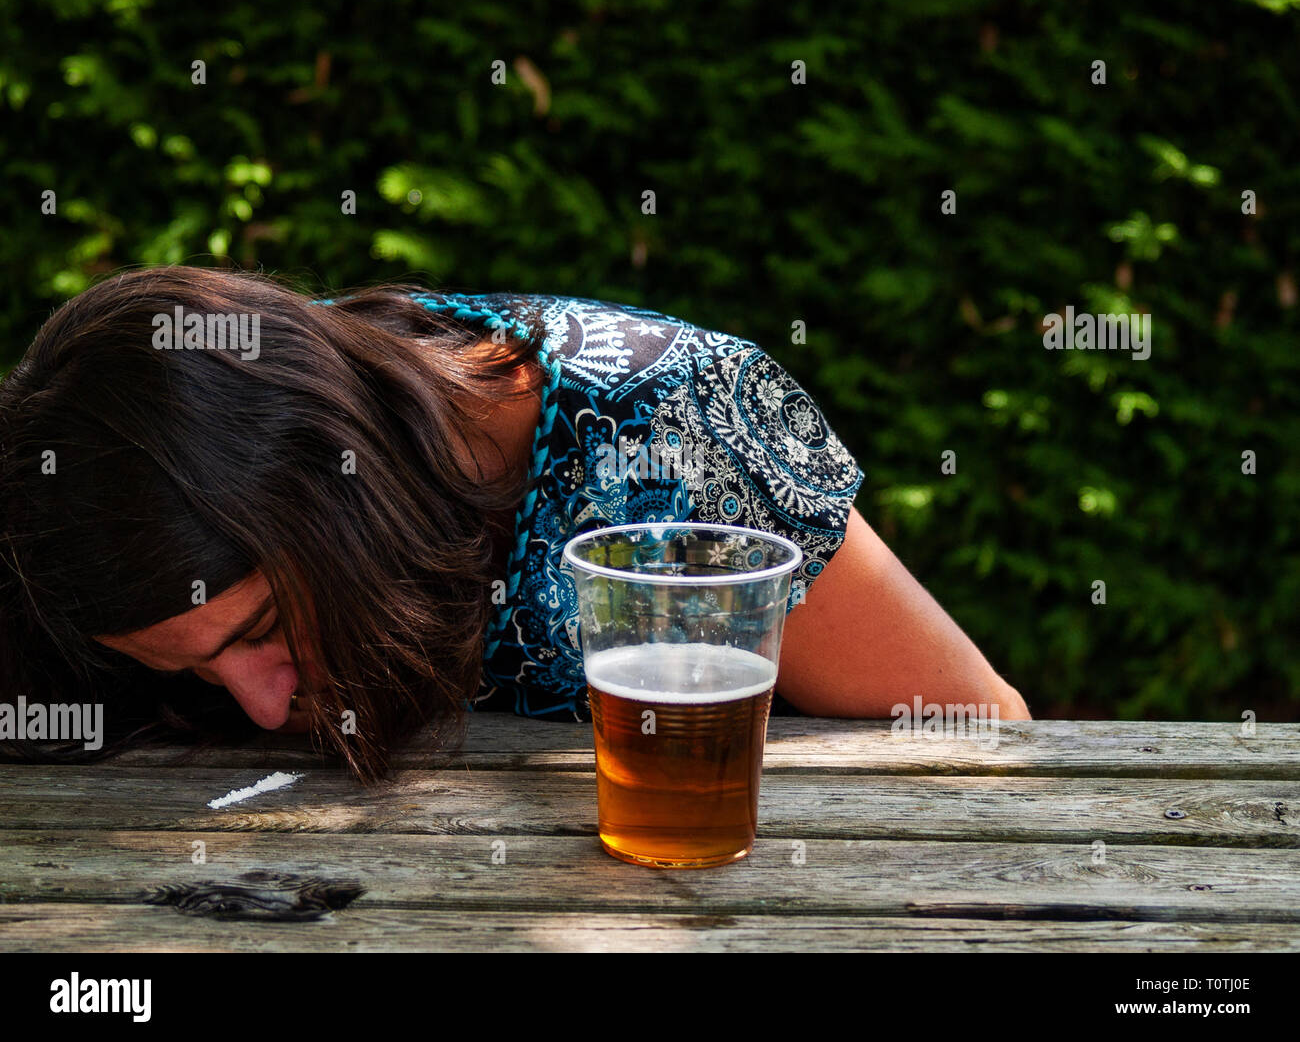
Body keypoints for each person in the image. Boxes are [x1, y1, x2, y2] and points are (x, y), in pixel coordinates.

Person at [0, 266, 1029, 783]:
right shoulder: (141, 486)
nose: (266, 709)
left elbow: (985, 737)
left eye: (261, 628)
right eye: (190, 670)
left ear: (337, 494)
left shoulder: (685, 428)